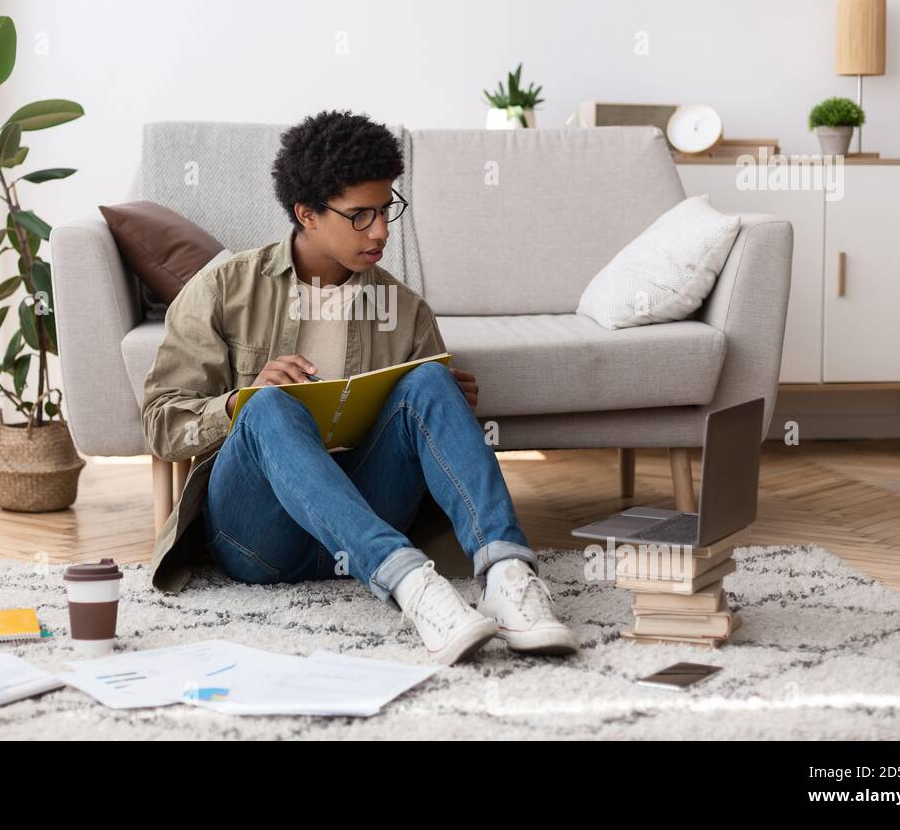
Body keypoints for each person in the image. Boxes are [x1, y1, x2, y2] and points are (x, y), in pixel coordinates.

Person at [141, 110, 577, 664]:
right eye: (361, 215)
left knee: (429, 379)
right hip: (260, 540)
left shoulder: (405, 310)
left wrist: (444, 406)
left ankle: (507, 576)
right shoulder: (225, 288)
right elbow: (161, 422)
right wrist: (236, 403)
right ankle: (416, 588)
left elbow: (429, 441)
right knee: (269, 405)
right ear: (307, 215)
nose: (381, 232)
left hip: (371, 515)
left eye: (387, 209)